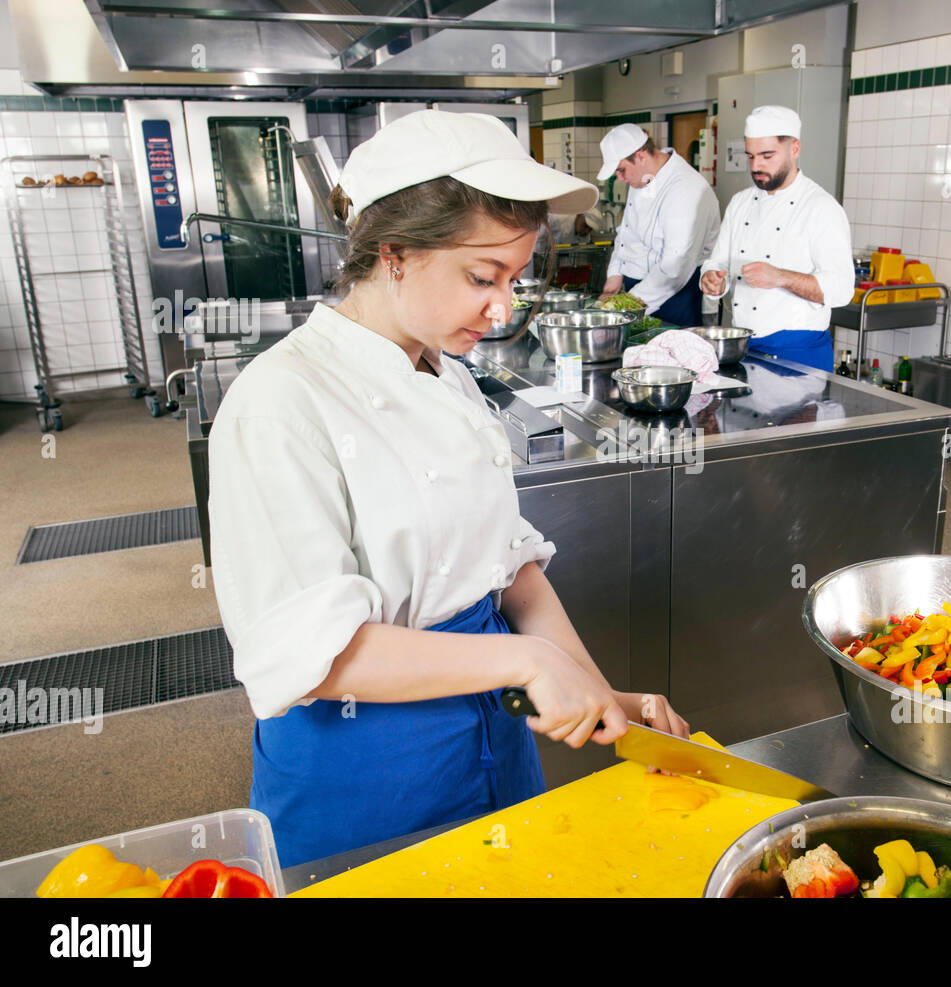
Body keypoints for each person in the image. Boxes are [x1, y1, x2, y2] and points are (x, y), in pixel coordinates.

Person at [207, 110, 689, 868]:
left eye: (514, 279)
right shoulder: (281, 402)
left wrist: (609, 702)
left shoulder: (450, 375)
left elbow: (510, 572)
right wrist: (525, 667)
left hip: (496, 735)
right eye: (481, 278)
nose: (504, 309)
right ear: (394, 254)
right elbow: (314, 658)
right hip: (367, 766)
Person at [699, 105, 855, 372]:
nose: (756, 166)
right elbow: (717, 262)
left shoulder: (820, 208)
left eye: (767, 156)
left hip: (797, 355)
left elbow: (842, 289)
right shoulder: (740, 203)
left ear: (794, 149)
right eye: (750, 156)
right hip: (743, 346)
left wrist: (780, 277)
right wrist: (712, 279)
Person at [597, 123, 720, 326]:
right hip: (638, 293)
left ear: (640, 156)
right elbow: (626, 234)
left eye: (620, 170)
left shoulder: (684, 189)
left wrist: (626, 304)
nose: (619, 178)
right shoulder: (641, 178)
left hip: (676, 295)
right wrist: (615, 275)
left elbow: (676, 266)